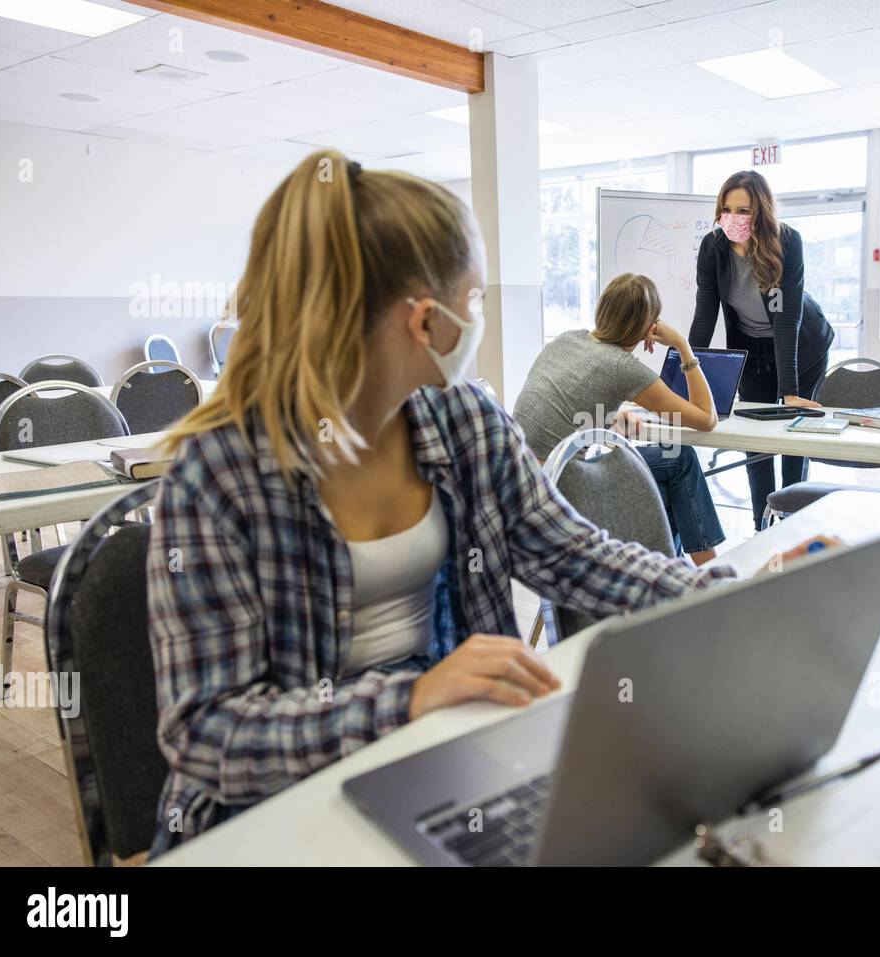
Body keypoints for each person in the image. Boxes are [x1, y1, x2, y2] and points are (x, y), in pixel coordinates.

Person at [145, 152, 780, 857]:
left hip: (448, 759)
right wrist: (412, 699)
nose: (477, 320)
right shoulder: (220, 473)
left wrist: (725, 590)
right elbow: (205, 731)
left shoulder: (463, 418)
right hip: (280, 813)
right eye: (473, 302)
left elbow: (571, 551)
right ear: (423, 321)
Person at [513, 272, 725, 564]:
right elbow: (706, 418)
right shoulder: (622, 368)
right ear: (648, 328)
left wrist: (610, 415)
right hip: (560, 489)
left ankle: (674, 581)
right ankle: (711, 578)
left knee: (664, 488)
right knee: (680, 460)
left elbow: (562, 403)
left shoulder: (568, 339)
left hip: (520, 483)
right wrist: (682, 345)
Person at [688, 169, 835, 531]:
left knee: (793, 436)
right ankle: (762, 527)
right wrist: (679, 378)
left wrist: (791, 393)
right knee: (756, 441)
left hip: (803, 345)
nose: (734, 219)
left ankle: (794, 522)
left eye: (744, 211)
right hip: (751, 348)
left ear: (761, 212)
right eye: (727, 209)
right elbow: (705, 316)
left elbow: (786, 321)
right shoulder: (713, 246)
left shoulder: (787, 242)